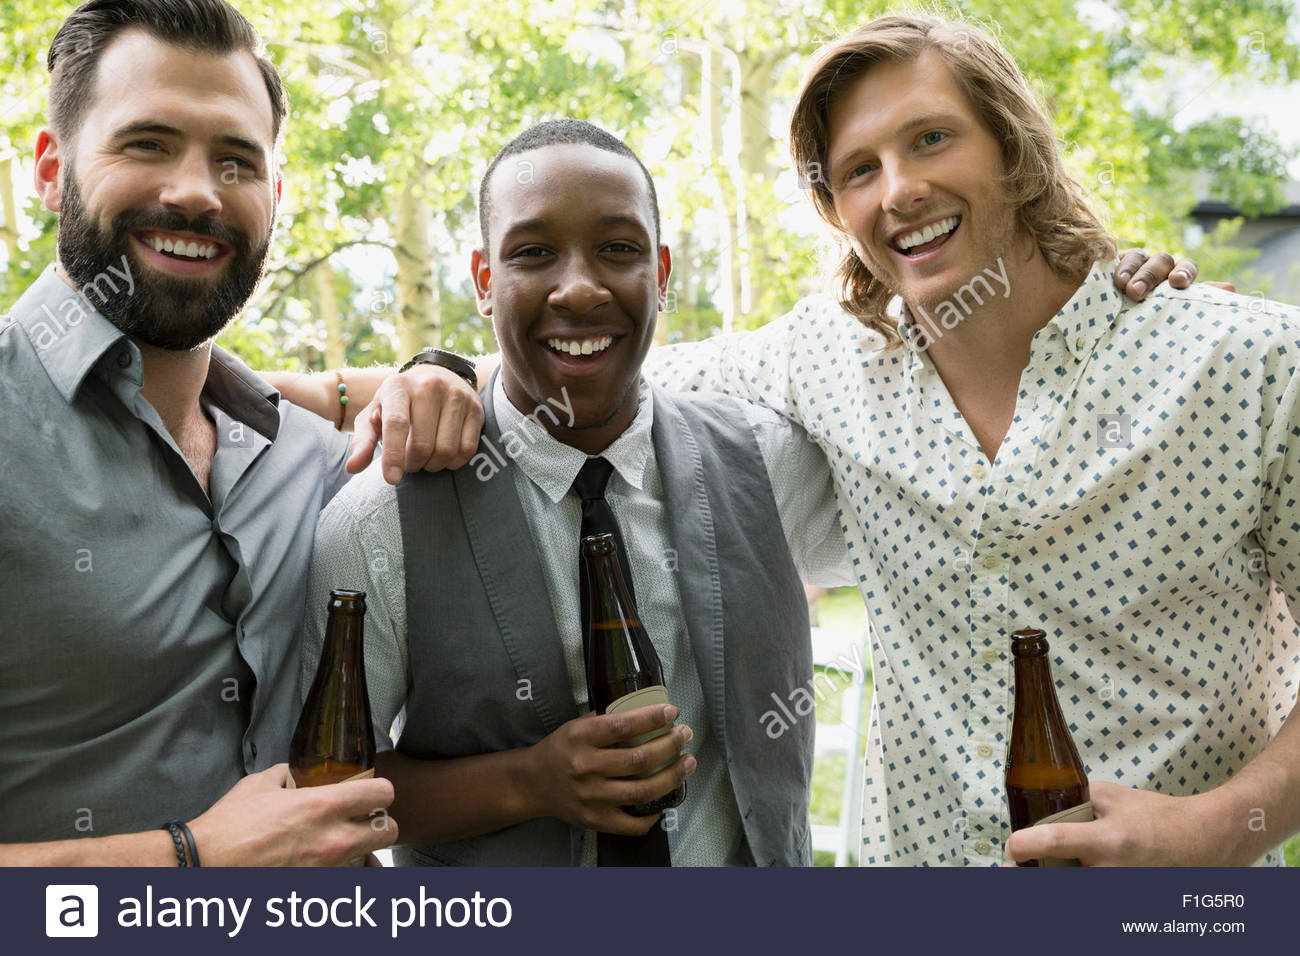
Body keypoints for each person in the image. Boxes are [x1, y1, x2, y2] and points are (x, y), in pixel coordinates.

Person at [636, 14, 1300, 866]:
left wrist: (1213, 831)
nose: (899, 190)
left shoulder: (1245, 365)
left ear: (1014, 150)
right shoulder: (825, 362)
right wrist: (427, 376)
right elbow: (596, 376)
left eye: (932, 138)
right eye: (858, 171)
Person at [303, 119, 857, 866]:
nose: (579, 287)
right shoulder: (376, 523)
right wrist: (526, 784)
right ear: (484, 282)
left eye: (618, 250)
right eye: (533, 253)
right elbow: (330, 793)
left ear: (660, 273)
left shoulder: (770, 462)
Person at [0, 0, 459, 865]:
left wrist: (436, 371)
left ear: (275, 198)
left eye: (237, 161)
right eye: (147, 144)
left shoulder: (312, 457)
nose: (196, 192)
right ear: (49, 168)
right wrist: (190, 859)